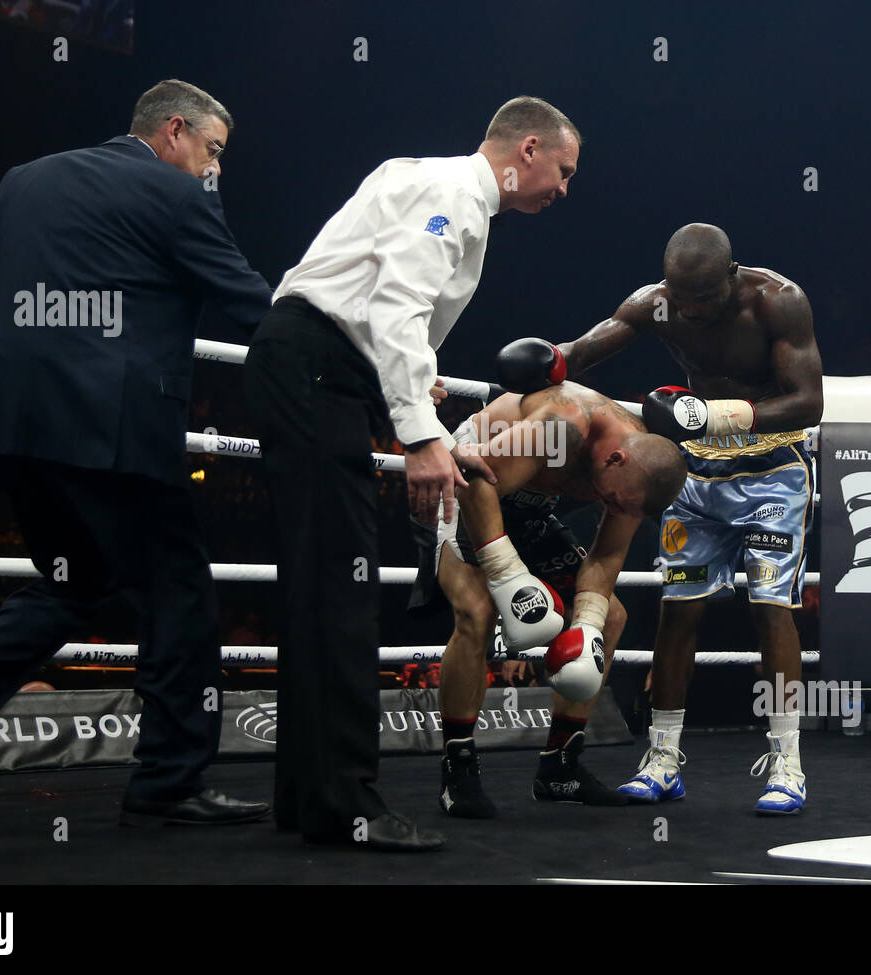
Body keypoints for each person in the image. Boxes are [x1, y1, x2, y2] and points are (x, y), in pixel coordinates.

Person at [0, 80, 273, 826]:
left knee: (76, 582)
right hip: (111, 433)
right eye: (213, 153)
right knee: (181, 593)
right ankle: (168, 781)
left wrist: (31, 365)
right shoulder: (181, 195)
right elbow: (251, 304)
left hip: (14, 426)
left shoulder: (27, 177)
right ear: (175, 131)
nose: (214, 168)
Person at [244, 96, 580, 852]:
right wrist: (422, 434)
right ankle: (348, 804)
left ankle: (307, 796)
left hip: (308, 369)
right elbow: (395, 304)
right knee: (340, 591)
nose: (565, 189)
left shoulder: (427, 176)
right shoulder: (456, 194)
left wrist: (410, 388)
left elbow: (378, 301)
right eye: (563, 170)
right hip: (314, 372)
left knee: (314, 588)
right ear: (528, 149)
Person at [519, 223, 823, 814]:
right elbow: (594, 344)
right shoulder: (655, 304)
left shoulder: (778, 301)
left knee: (771, 611)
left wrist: (710, 416)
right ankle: (662, 759)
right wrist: (550, 361)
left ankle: (787, 763)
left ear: (732, 278)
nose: (693, 312)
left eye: (704, 300)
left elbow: (809, 401)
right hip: (696, 478)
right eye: (682, 301)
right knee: (678, 612)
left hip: (773, 473)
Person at [407, 376, 687, 817]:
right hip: (472, 483)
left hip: (530, 506)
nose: (614, 509)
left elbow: (608, 552)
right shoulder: (563, 425)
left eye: (623, 507)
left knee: (609, 618)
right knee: (477, 612)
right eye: (613, 500)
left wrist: (587, 624)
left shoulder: (638, 475)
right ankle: (458, 768)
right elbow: (477, 482)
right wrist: (508, 576)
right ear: (614, 458)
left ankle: (560, 768)